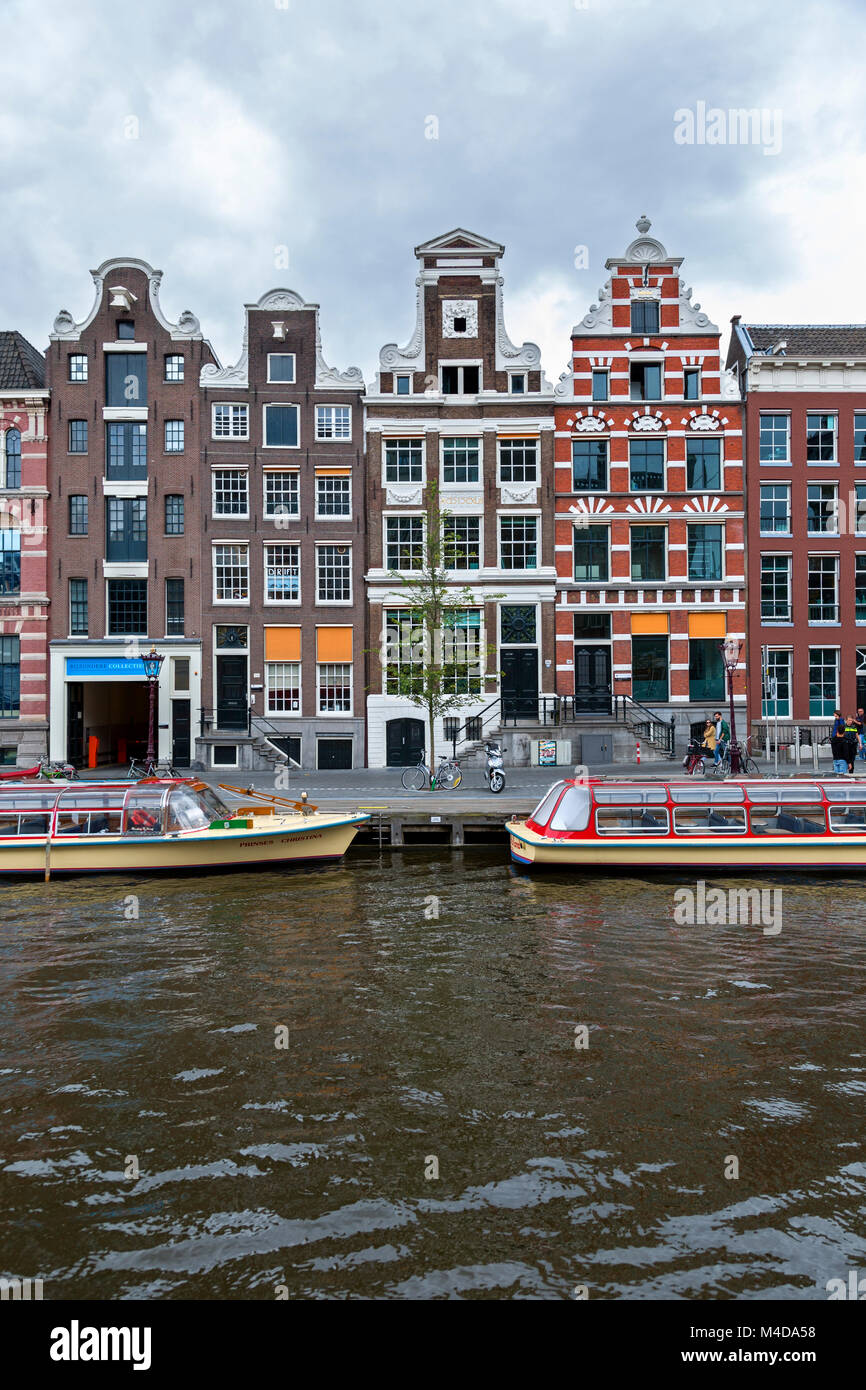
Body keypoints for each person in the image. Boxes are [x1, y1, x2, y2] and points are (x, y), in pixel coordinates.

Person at [831, 710, 848, 775]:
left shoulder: (840, 720)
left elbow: (841, 727)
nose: (834, 715)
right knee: (835, 750)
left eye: (834, 714)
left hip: (838, 735)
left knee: (839, 750)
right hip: (835, 736)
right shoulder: (836, 720)